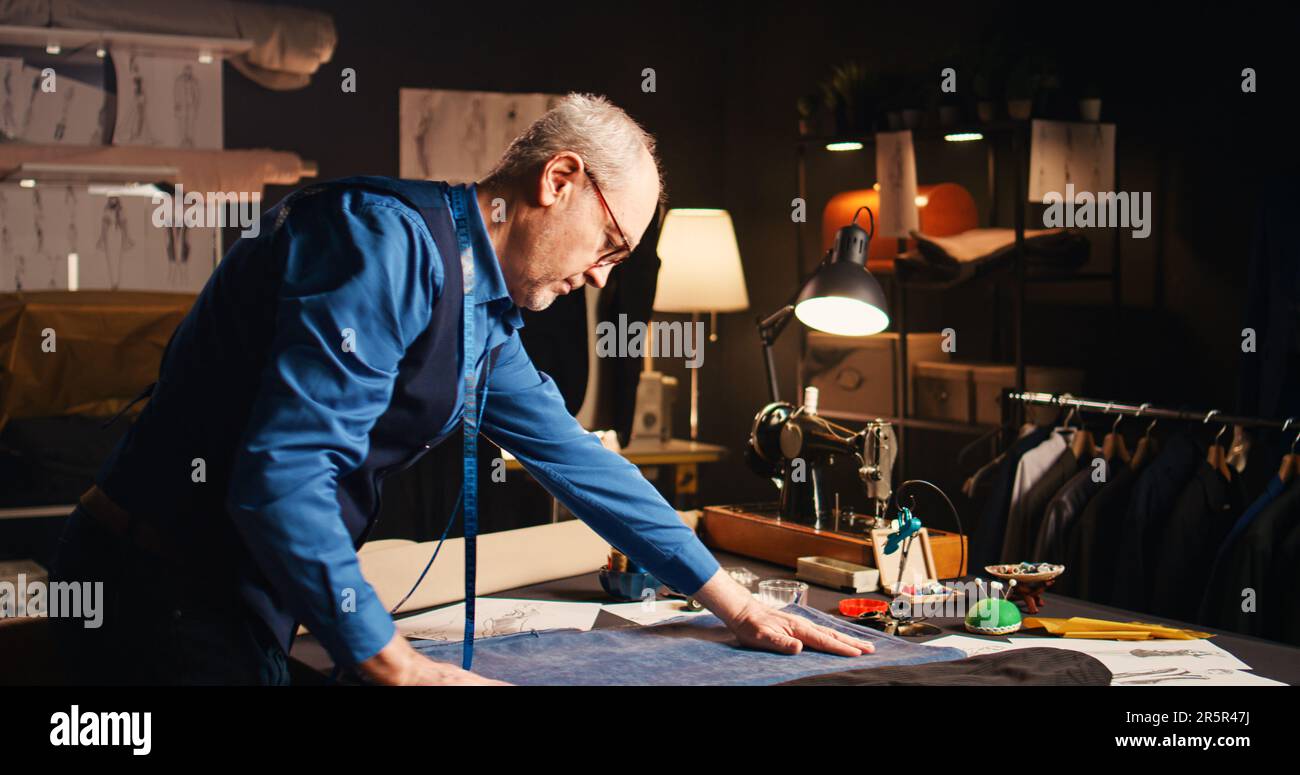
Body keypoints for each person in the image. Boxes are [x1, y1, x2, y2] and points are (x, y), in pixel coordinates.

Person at [50, 93, 874, 686]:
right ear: (558, 179)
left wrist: (732, 601)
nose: (598, 275)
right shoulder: (384, 244)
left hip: (241, 598)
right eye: (612, 245)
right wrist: (398, 662)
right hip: (152, 595)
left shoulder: (484, 316)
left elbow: (583, 466)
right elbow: (281, 480)